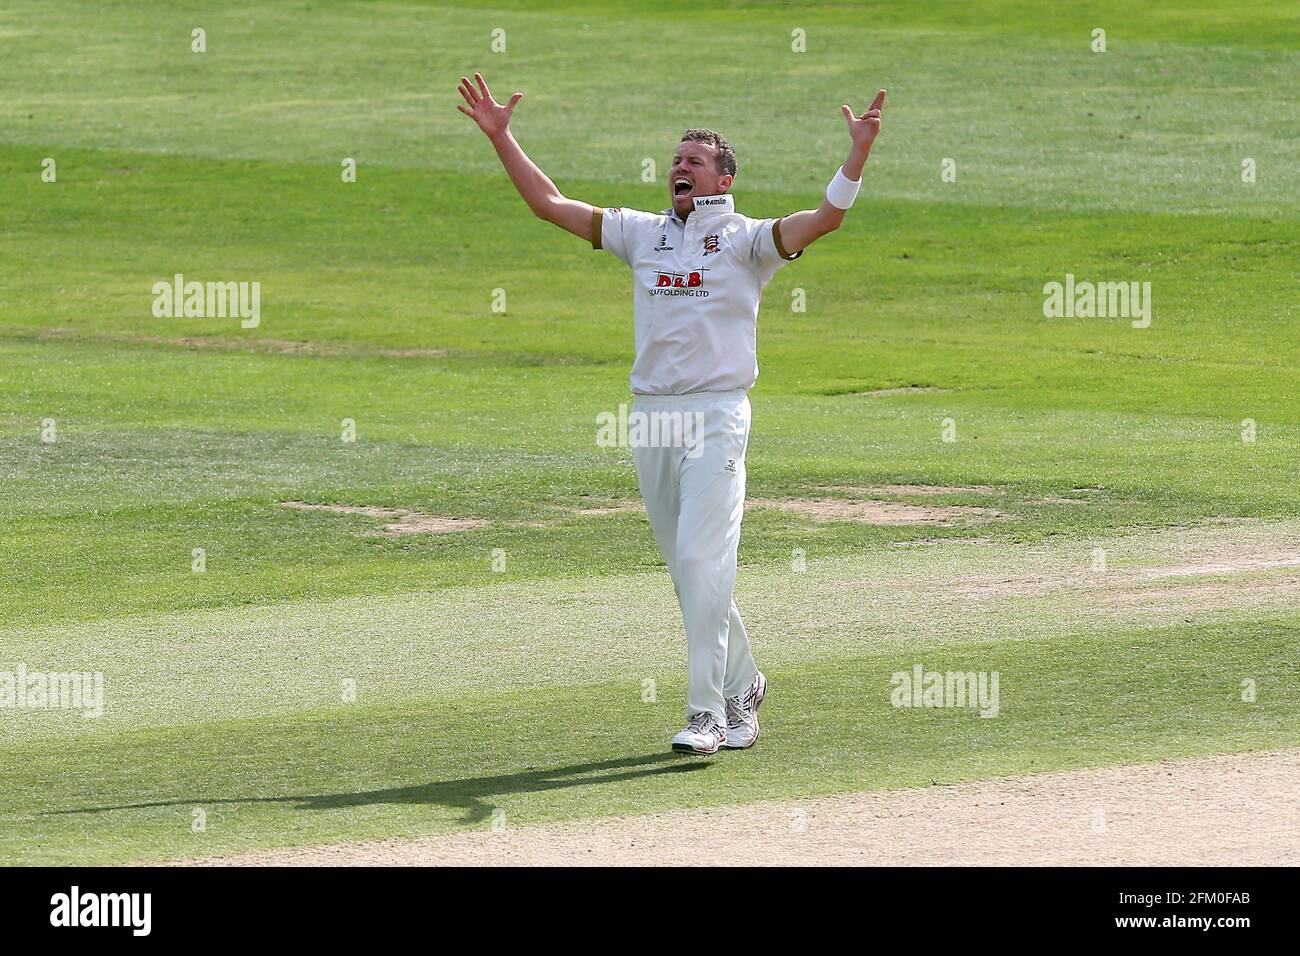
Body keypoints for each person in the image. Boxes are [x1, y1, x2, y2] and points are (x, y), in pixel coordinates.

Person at [457, 73, 886, 754]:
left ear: (722, 178)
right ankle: (746, 686)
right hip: (651, 417)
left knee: (699, 559)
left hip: (717, 415)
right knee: (691, 574)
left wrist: (856, 155)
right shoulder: (642, 235)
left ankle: (707, 714)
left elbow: (825, 219)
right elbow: (549, 203)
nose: (679, 168)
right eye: (676, 160)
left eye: (694, 160)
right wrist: (503, 137)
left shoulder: (748, 240)